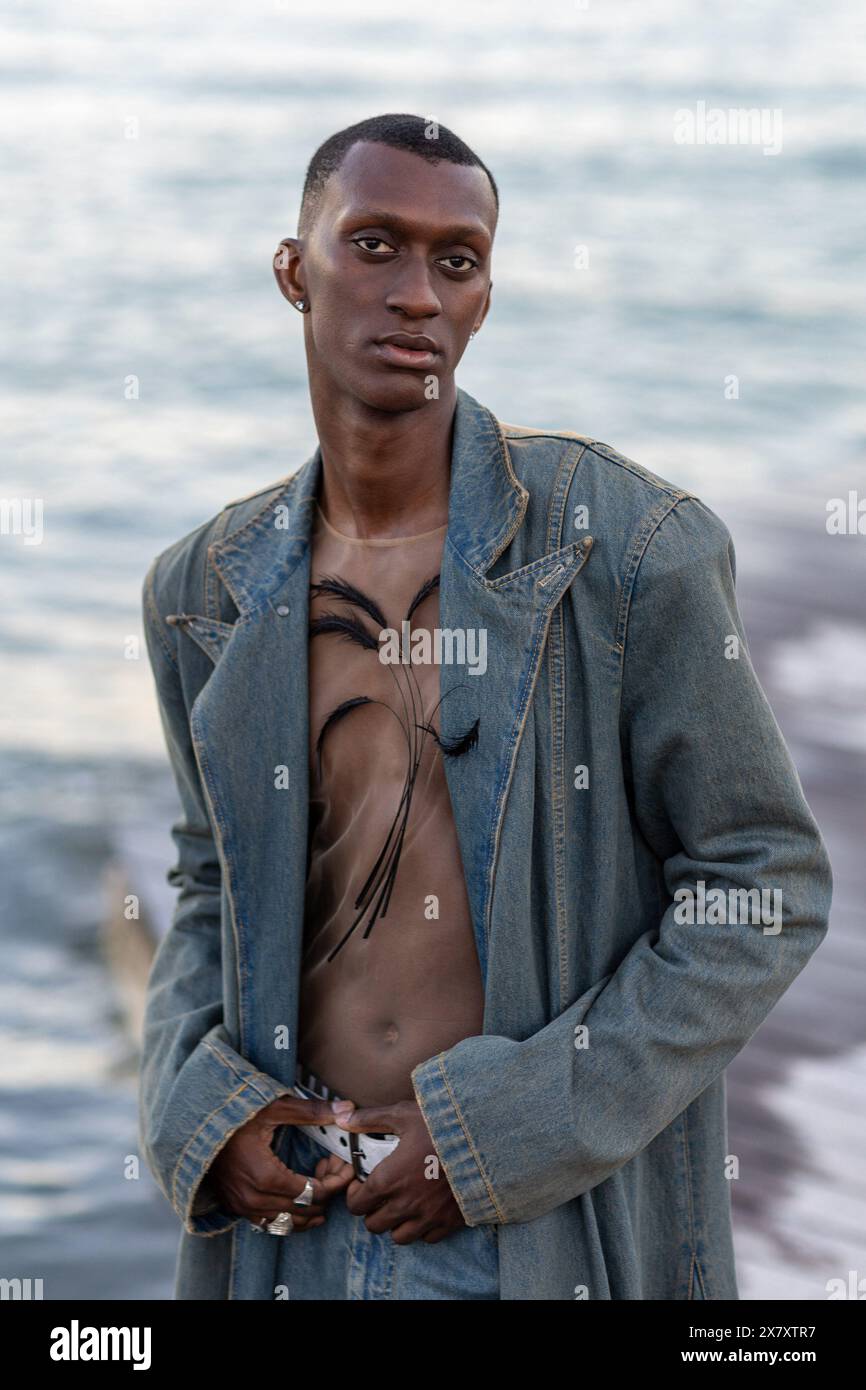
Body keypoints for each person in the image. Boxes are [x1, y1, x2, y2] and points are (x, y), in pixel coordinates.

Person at [139, 112, 833, 1300]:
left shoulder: (629, 551)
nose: (415, 294)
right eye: (373, 246)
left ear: (483, 301)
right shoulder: (203, 590)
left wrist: (496, 1139)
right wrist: (199, 1112)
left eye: (454, 262)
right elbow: (211, 876)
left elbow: (760, 885)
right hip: (289, 1224)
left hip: (523, 1235)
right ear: (292, 270)